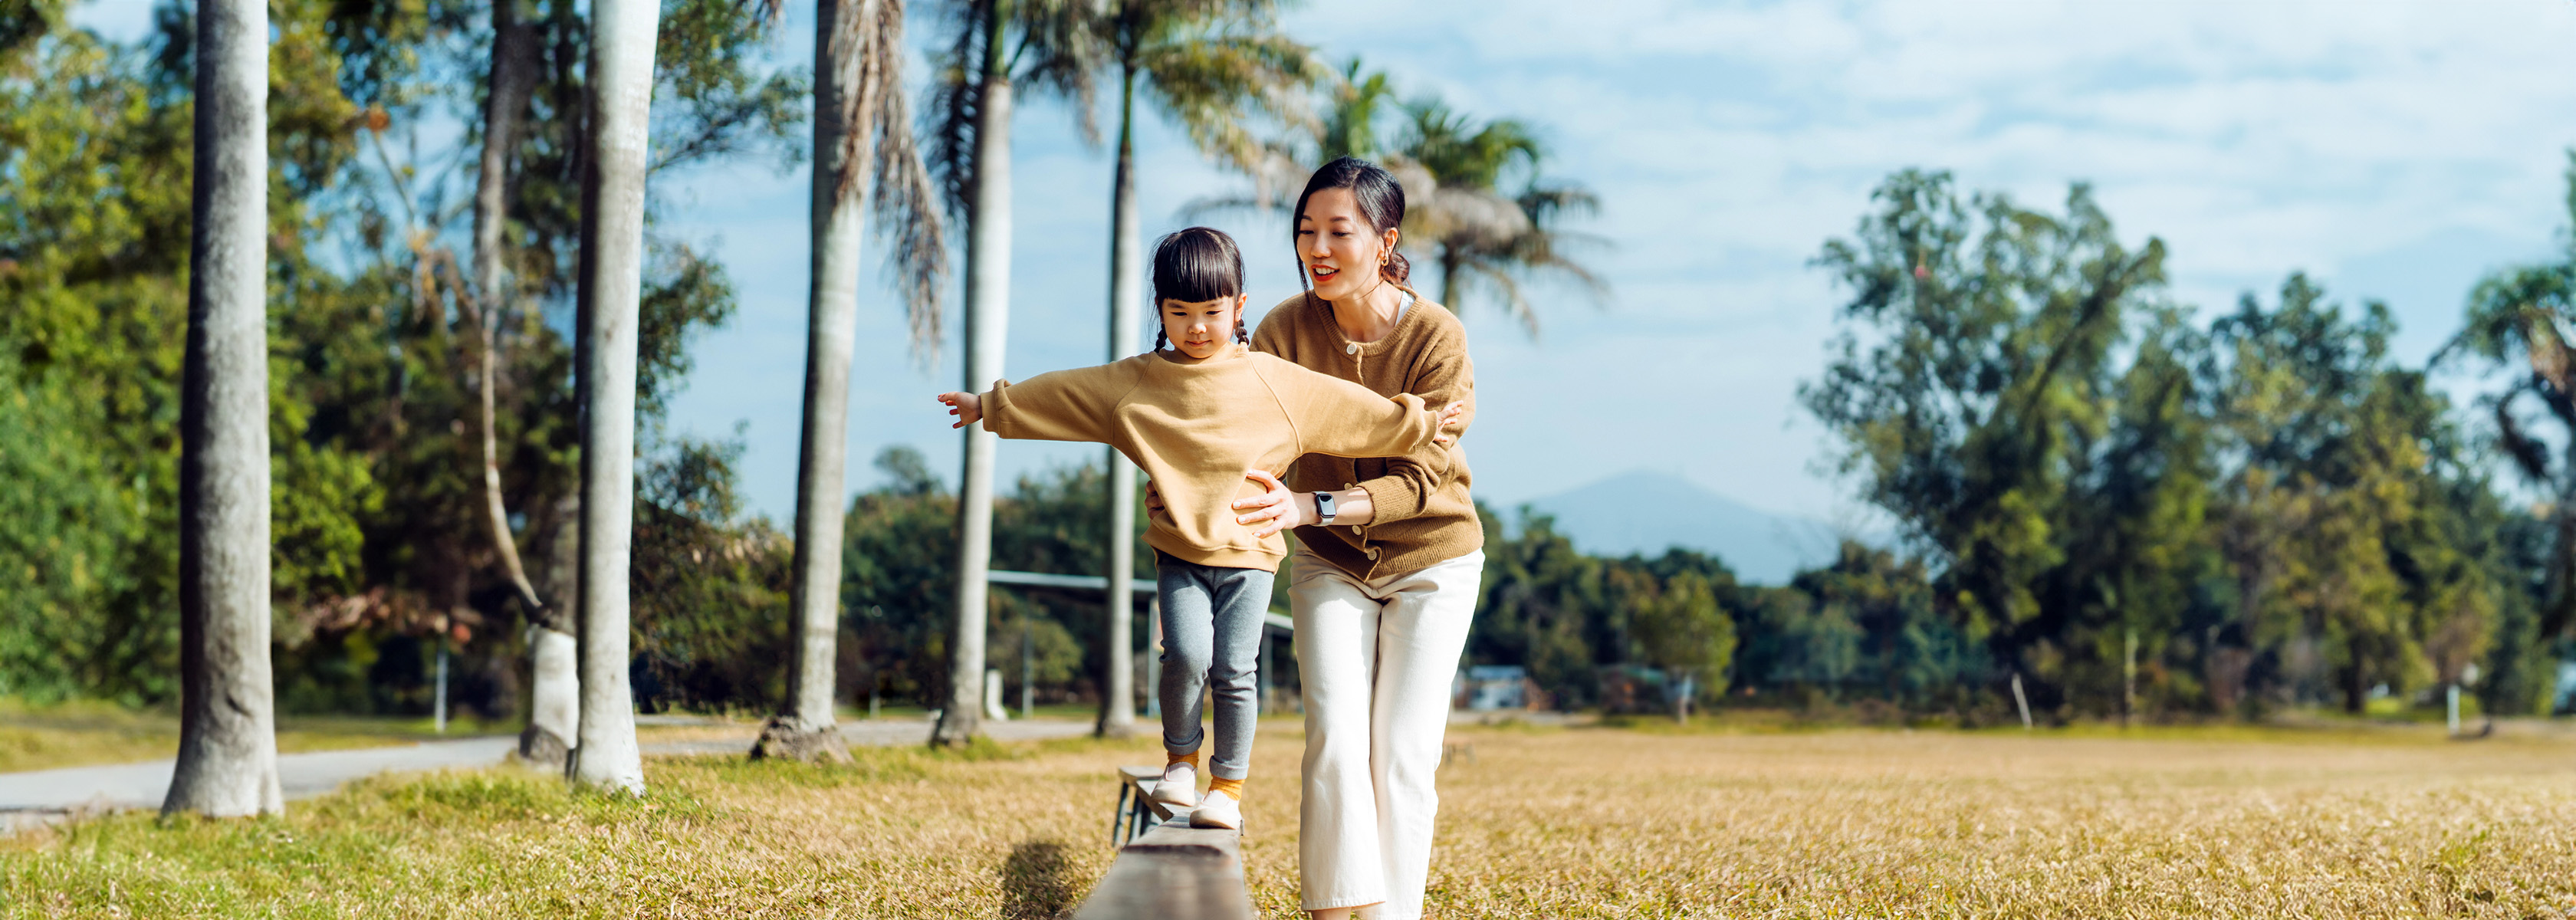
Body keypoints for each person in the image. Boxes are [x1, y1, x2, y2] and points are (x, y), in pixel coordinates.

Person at [936, 226, 1464, 831]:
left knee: (1235, 669)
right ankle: (1180, 763)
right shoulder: (1138, 382)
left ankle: (1229, 790)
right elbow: (1067, 393)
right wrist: (991, 406)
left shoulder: (1273, 377)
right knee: (1185, 655)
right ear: (1159, 310)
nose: (1197, 328)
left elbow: (1350, 410)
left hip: (1251, 554)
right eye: (1180, 313)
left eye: (1212, 313)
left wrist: (1419, 421)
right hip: (1181, 551)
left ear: (1239, 307)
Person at [1237, 156, 1486, 920]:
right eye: (1305, 231)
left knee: (1403, 757)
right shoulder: (1283, 329)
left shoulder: (1438, 338)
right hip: (1330, 564)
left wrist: (1310, 507)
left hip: (1432, 559)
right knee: (1336, 739)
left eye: (1338, 231)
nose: (1317, 247)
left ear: (1385, 241)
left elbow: (1421, 484)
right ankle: (1333, 911)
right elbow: (1253, 444)